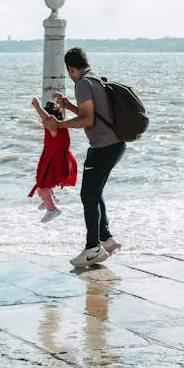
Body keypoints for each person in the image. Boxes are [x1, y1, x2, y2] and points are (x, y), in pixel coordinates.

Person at [45, 47, 126, 268]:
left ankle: (92, 249)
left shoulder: (82, 84)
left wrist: (59, 124)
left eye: (69, 72)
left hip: (103, 147)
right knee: (95, 192)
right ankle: (106, 240)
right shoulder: (95, 79)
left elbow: (88, 121)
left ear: (71, 68)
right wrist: (69, 106)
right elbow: (93, 115)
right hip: (115, 145)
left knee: (88, 195)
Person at [29, 97, 77, 222]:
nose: (43, 122)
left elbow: (46, 118)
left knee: (41, 187)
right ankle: (51, 199)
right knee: (44, 182)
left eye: (45, 120)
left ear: (54, 119)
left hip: (56, 163)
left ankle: (52, 209)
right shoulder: (61, 128)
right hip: (58, 161)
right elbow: (47, 119)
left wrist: (37, 107)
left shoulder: (53, 128)